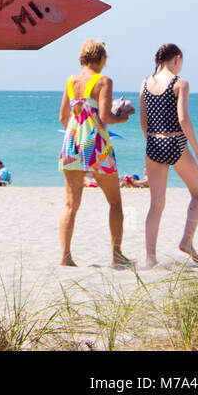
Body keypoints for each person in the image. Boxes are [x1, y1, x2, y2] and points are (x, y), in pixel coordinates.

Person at [59, 38, 134, 268]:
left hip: (72, 143)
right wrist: (122, 116)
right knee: (115, 203)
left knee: (71, 205)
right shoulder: (103, 81)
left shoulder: (71, 81)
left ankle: (65, 256)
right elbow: (105, 117)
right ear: (101, 59)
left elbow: (63, 117)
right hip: (96, 146)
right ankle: (117, 254)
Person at [139, 43, 198, 267]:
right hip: (175, 141)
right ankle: (187, 241)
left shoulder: (145, 84)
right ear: (177, 58)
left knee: (156, 205)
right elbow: (183, 120)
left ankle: (150, 258)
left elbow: (144, 123)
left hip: (153, 143)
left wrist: (150, 149)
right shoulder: (180, 83)